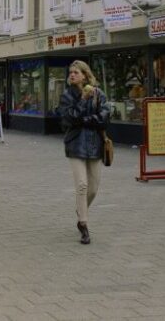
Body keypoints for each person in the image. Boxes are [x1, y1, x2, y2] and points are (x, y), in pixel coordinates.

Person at [58, 60, 110, 245]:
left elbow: (104, 117)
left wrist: (86, 119)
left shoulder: (98, 93)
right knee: (82, 185)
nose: (72, 75)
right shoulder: (67, 96)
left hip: (95, 144)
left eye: (76, 72)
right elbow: (69, 118)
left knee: (94, 188)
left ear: (85, 75)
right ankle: (84, 225)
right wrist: (82, 101)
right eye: (70, 72)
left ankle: (81, 211)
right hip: (75, 145)